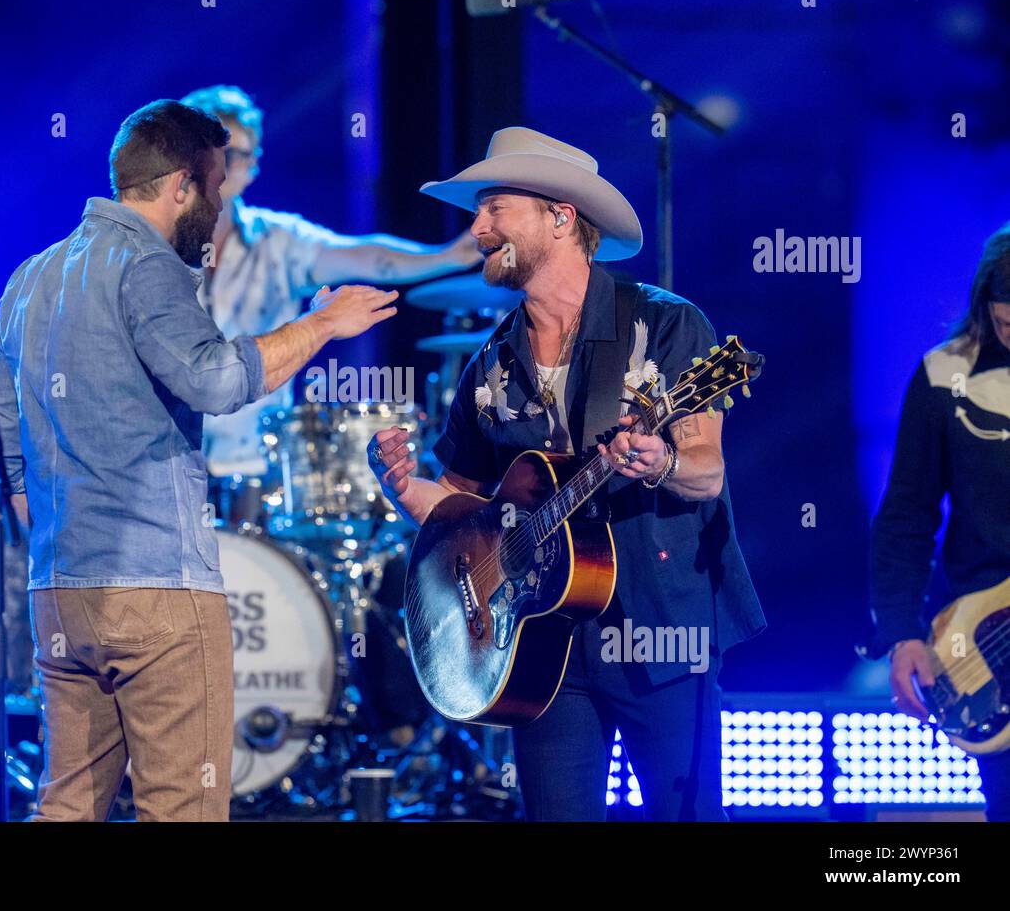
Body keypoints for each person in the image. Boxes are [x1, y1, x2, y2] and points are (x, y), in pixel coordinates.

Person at [0, 99, 397, 821]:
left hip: (60, 590)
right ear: (181, 186)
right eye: (217, 187)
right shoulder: (148, 264)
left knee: (67, 805)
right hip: (156, 586)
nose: (222, 205)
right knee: (182, 810)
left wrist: (30, 508)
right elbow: (216, 380)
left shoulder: (30, 277)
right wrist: (322, 323)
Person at [367, 127, 766, 820]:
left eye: (496, 208)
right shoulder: (490, 363)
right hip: (542, 648)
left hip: (658, 629)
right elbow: (462, 514)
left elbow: (705, 475)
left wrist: (661, 460)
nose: (479, 227)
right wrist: (404, 489)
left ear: (561, 216)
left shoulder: (665, 327)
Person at [178, 85, 481, 476]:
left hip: (253, 464)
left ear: (254, 164)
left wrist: (447, 256)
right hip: (167, 462)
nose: (232, 164)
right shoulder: (152, 241)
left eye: (242, 155)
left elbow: (368, 256)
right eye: (222, 152)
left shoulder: (278, 239)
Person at [865, 221, 1010, 821]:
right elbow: (905, 515)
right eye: (1007, 322)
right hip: (987, 644)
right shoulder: (943, 375)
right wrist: (902, 632)